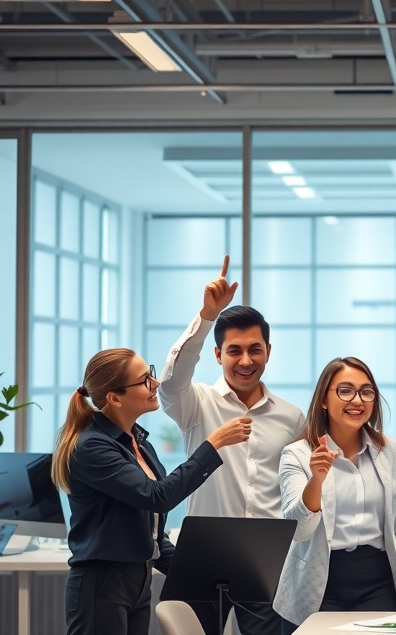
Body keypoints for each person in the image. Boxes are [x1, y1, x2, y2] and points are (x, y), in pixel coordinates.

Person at [157, 255, 307, 635]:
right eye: (235, 350)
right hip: (205, 552)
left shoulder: (292, 417)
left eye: (255, 349)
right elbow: (172, 379)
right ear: (218, 354)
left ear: (268, 352)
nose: (246, 360)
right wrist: (207, 315)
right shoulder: (197, 403)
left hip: (269, 560)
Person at [52, 349, 251, 635]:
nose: (155, 384)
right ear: (115, 397)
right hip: (103, 583)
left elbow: (152, 530)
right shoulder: (92, 447)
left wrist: (209, 574)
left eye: (151, 375)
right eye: (145, 380)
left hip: (138, 580)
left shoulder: (139, 442)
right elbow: (157, 496)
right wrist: (213, 444)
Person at [273, 357, 396, 633]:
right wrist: (317, 480)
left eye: (367, 392)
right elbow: (300, 531)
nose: (358, 400)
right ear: (324, 400)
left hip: (376, 579)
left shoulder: (390, 450)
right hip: (317, 581)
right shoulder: (297, 454)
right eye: (345, 390)